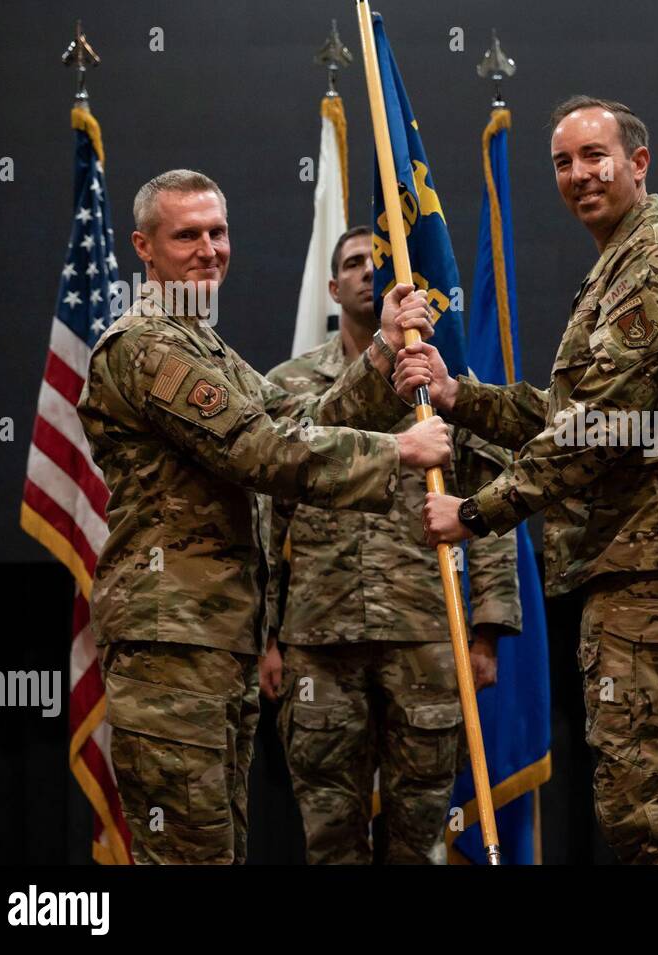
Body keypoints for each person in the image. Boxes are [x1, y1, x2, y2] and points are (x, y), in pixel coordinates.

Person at [393, 97, 658, 864]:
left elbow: (604, 429)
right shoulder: (619, 265)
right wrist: (461, 397)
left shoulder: (657, 261)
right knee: (637, 803)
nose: (580, 174)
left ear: (638, 162)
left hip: (657, 560)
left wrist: (478, 512)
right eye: (564, 161)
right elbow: (568, 413)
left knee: (646, 809)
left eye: (596, 155)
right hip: (633, 562)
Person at [76, 169, 450, 864]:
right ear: (143, 247)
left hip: (216, 639)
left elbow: (298, 418)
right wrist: (398, 449)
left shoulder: (208, 348)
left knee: (219, 850)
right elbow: (256, 449)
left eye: (218, 232)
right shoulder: (146, 345)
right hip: (171, 645)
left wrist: (378, 353)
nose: (209, 249)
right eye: (186, 235)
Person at [258, 225, 521, 864]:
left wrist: (486, 631)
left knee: (423, 830)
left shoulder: (446, 381)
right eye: (353, 263)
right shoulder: (291, 384)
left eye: (377, 262)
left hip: (428, 627)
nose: (368, 272)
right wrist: (267, 634)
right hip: (320, 634)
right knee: (329, 832)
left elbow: (487, 503)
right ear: (333, 285)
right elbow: (268, 518)